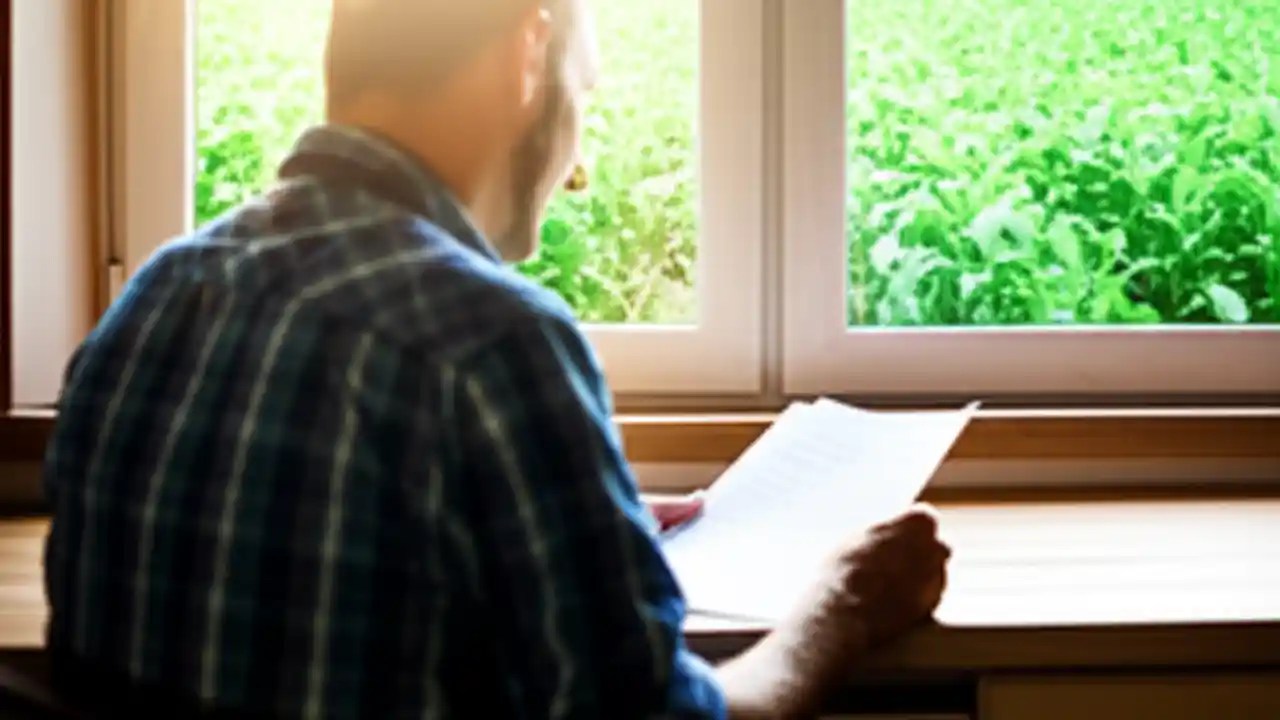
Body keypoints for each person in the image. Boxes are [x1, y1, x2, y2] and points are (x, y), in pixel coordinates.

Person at [42, 0, 950, 717]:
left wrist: (511, 526)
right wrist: (841, 606)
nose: (580, 170)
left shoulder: (153, 300)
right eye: (584, 93)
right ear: (528, 53)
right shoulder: (488, 346)